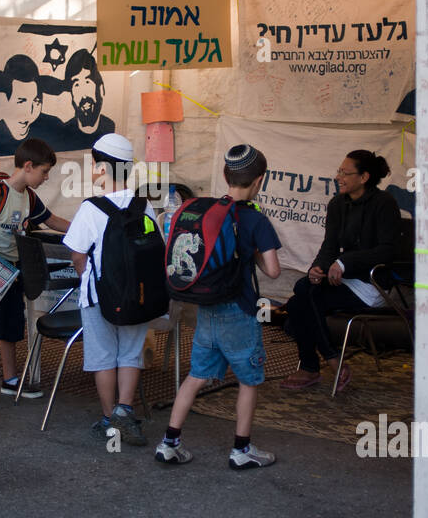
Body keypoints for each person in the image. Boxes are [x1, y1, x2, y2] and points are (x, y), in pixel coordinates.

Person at [154, 143, 282, 469]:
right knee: (249, 380)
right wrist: (251, 250)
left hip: (206, 307)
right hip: (239, 310)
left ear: (226, 176)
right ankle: (242, 450)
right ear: (260, 181)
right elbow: (273, 271)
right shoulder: (255, 220)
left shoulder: (212, 212)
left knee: (196, 376)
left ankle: (169, 442)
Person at [281, 150, 402, 391]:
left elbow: (388, 251)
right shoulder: (338, 204)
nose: (338, 177)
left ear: (364, 177)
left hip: (371, 282)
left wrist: (346, 262)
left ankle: (314, 366)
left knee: (301, 303)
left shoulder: (384, 204)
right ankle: (329, 360)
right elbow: (330, 246)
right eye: (339, 171)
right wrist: (318, 268)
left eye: (345, 173)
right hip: (343, 278)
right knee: (303, 288)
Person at [62, 133, 153, 446]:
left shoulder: (91, 208)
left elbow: (77, 254)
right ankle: (125, 412)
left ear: (102, 168)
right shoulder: (144, 205)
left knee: (102, 358)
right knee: (130, 353)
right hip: (137, 296)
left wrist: (85, 270)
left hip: (98, 296)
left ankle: (108, 420)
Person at [0, 138, 71, 397]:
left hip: (11, 273)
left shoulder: (30, 198)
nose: (46, 177)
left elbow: (52, 220)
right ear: (29, 166)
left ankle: (10, 379)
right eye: (45, 171)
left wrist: (86, 228)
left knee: (11, 326)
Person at [0, 55, 65, 159]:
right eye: (21, 101)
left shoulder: (54, 128)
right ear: (4, 101)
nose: (29, 112)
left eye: (36, 102)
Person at [31, 49, 115, 152]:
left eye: (88, 82)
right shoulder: (64, 134)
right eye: (76, 85)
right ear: (71, 96)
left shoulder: (111, 129)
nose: (83, 95)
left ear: (101, 90)